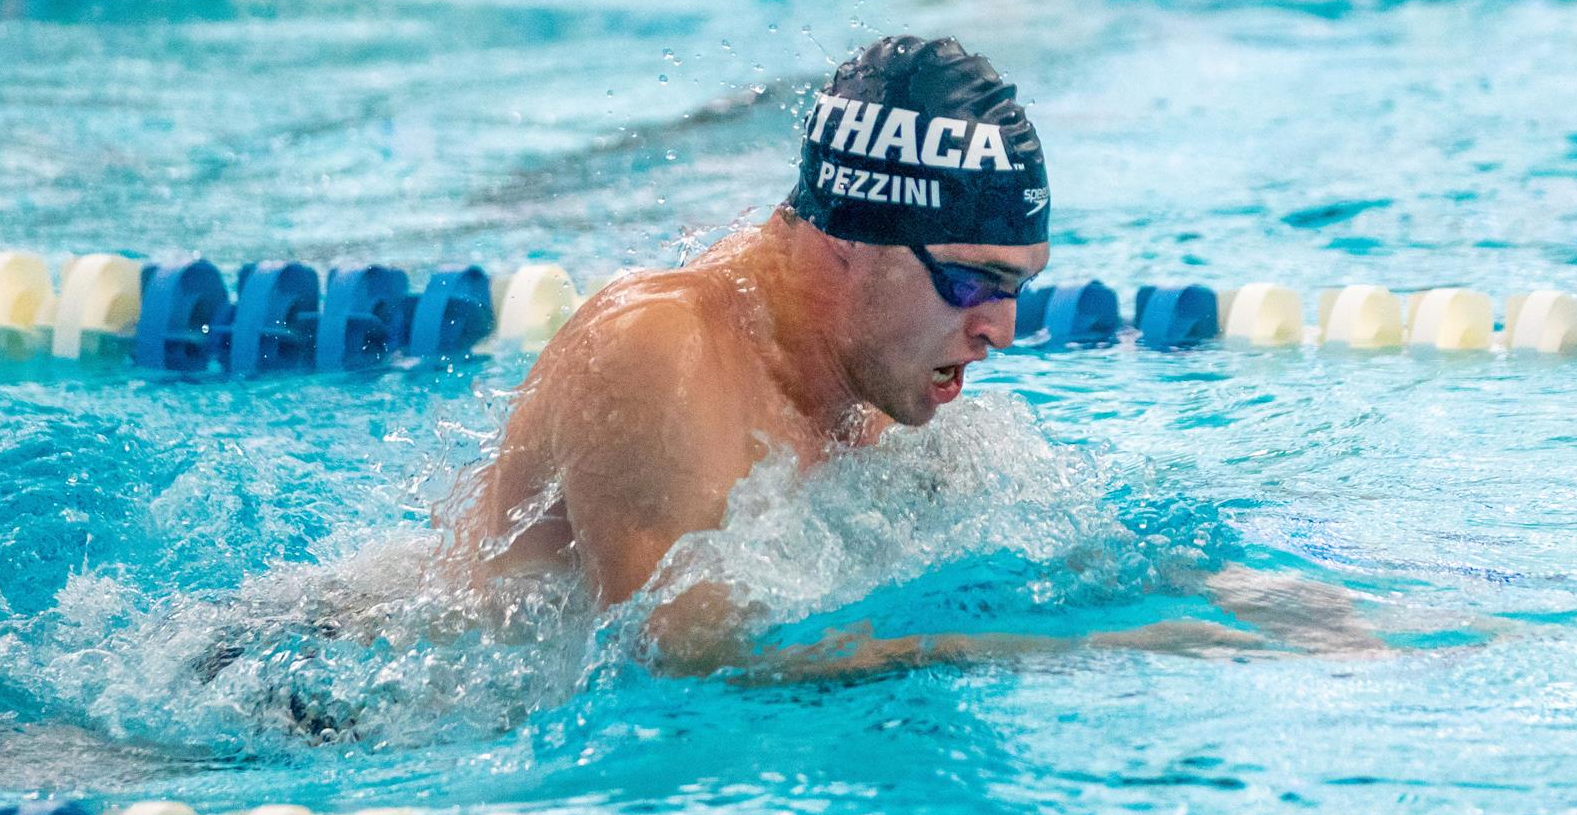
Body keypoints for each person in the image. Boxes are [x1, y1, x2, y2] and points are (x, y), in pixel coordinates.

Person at [448, 35, 1283, 676]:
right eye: (971, 282)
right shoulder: (657, 350)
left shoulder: (867, 385)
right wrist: (1085, 645)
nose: (1000, 330)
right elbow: (692, 657)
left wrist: (1256, 601)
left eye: (1018, 287)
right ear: (849, 239)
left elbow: (1068, 556)